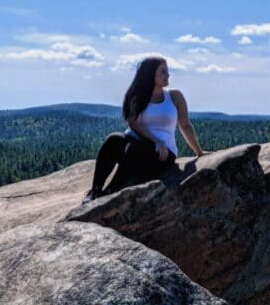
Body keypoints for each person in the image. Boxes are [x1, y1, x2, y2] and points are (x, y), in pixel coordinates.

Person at [87, 56, 205, 199]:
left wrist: (199, 152)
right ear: (150, 74)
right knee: (114, 139)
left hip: (163, 154)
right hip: (138, 144)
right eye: (163, 71)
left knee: (136, 148)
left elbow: (185, 125)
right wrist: (156, 141)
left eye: (167, 71)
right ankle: (95, 190)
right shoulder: (136, 96)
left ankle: (111, 190)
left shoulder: (175, 96)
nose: (168, 75)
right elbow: (135, 124)